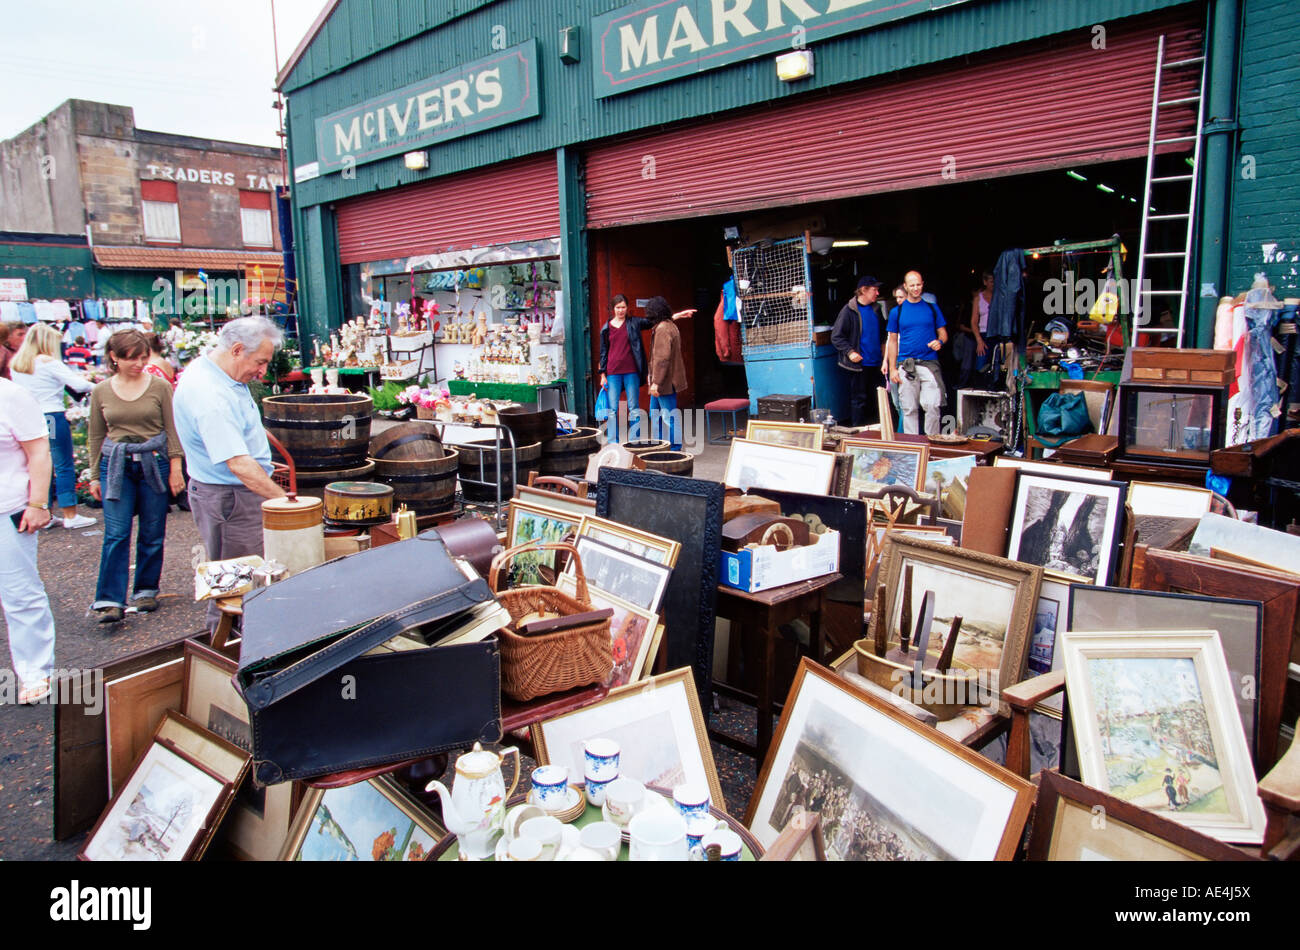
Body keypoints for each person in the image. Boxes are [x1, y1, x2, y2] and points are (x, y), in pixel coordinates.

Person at [173, 317, 287, 630]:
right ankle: (231, 657)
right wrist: (287, 503)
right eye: (260, 362)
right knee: (234, 591)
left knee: (239, 581)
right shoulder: (211, 395)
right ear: (237, 350)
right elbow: (237, 463)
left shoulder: (220, 375)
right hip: (231, 498)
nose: (263, 371)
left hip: (231, 494)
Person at [87, 330, 186, 624]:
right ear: (114, 357)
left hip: (153, 462)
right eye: (131, 358)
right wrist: (94, 476)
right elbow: (95, 434)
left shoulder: (159, 386)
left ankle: (145, 589)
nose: (138, 363)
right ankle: (109, 599)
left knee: (152, 531)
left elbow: (172, 429)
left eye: (143, 357)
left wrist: (177, 468)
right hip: (115, 464)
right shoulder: (101, 391)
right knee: (116, 532)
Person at [0, 374, 57, 703]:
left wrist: (38, 503)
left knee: (19, 592)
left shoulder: (12, 396)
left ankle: (35, 671)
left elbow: (39, 452)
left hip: (9, 508)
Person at [10, 323, 97, 529]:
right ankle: (70, 514)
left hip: (28, 416)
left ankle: (45, 511)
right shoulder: (48, 362)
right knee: (63, 463)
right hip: (52, 415)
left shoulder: (19, 363)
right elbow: (80, 385)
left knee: (38, 463)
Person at [886, 271, 948, 435]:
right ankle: (912, 449)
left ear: (922, 284)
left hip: (929, 363)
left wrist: (939, 342)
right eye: (912, 285)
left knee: (933, 405)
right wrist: (892, 368)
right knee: (909, 409)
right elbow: (892, 341)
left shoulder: (932, 308)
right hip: (906, 364)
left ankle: (932, 444)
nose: (915, 288)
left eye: (918, 284)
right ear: (905, 287)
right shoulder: (896, 312)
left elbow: (943, 333)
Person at [831, 275, 887, 426]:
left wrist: (885, 357)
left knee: (878, 400)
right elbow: (836, 336)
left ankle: (879, 432)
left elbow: (883, 335)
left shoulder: (876, 309)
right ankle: (858, 435)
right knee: (859, 400)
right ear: (864, 290)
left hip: (877, 364)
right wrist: (850, 352)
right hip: (859, 365)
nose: (877, 293)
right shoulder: (849, 310)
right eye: (874, 290)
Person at [643, 296, 696, 452]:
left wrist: (655, 383)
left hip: (664, 383)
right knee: (657, 416)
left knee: (667, 417)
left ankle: (674, 448)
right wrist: (679, 315)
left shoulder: (662, 329)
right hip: (665, 381)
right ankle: (662, 446)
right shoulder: (669, 325)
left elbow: (662, 359)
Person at [597, 294, 649, 443]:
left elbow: (652, 322)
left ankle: (634, 441)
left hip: (631, 371)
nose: (621, 310)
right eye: (618, 307)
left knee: (633, 407)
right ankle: (613, 441)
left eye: (623, 307)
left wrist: (675, 316)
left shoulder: (634, 323)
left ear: (627, 308)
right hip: (613, 372)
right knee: (612, 409)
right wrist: (602, 375)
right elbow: (603, 352)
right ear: (613, 308)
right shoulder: (606, 328)